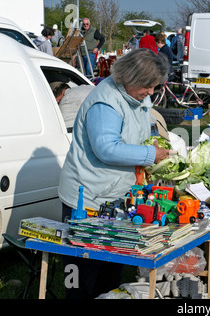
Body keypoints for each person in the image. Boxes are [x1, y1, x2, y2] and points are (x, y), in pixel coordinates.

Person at [58, 49, 171, 298]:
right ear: (130, 78)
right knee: (81, 272)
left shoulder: (139, 96)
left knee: (111, 269)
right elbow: (106, 149)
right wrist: (149, 155)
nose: (151, 93)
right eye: (148, 87)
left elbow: (140, 132)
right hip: (87, 197)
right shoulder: (105, 102)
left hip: (117, 196)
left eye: (154, 87)